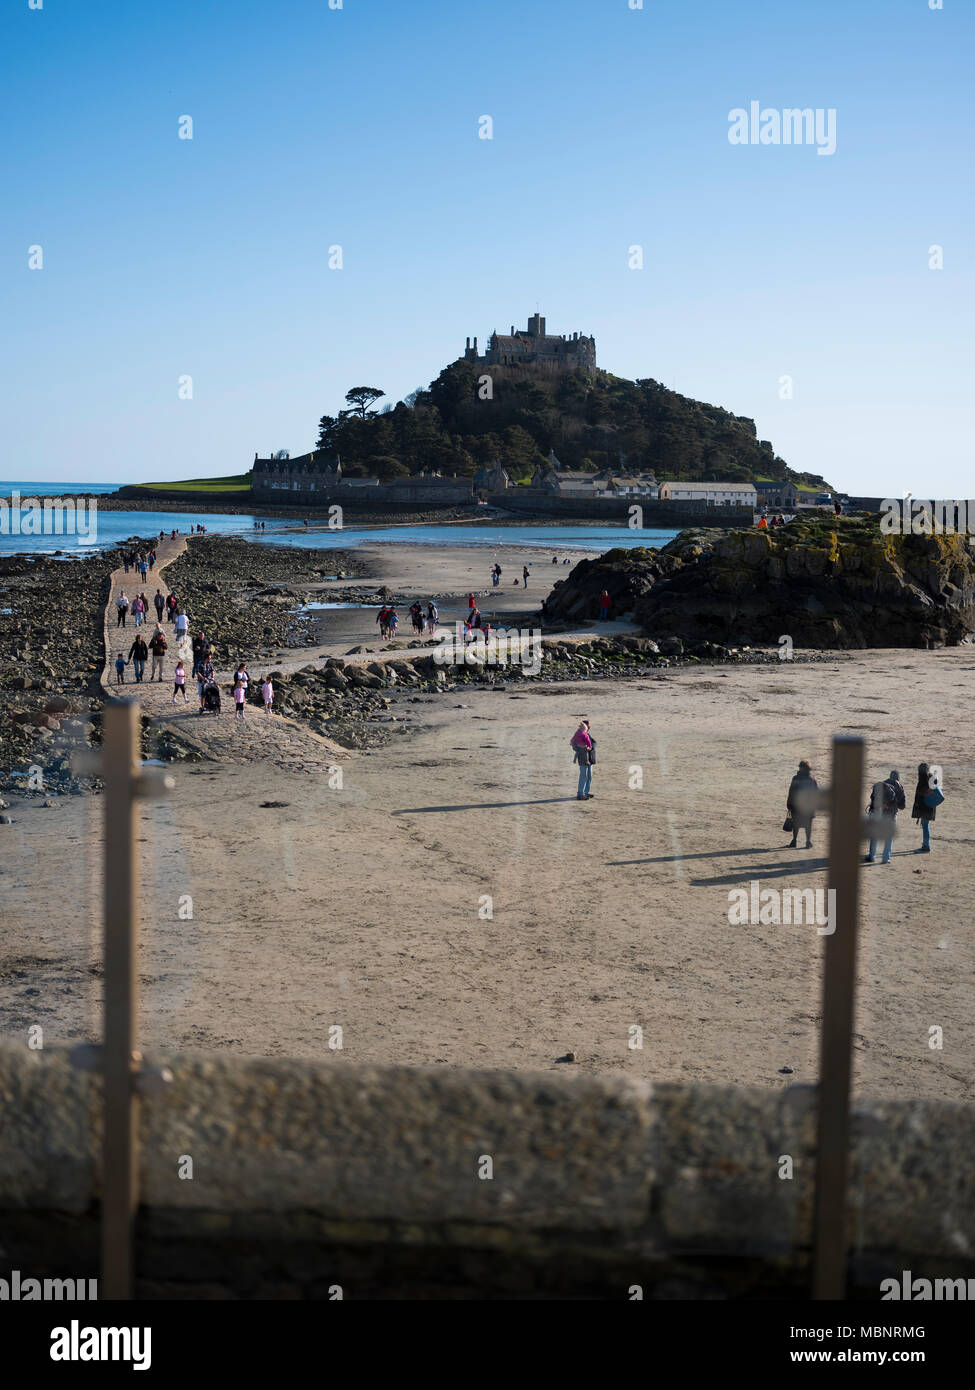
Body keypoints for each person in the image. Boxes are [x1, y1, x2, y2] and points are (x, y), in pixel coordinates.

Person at [865, 769, 906, 864]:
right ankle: (886, 858)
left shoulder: (883, 783)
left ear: (890, 776)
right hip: (891, 815)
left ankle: (872, 856)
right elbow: (902, 806)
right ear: (898, 777)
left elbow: (872, 797)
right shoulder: (900, 787)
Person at [911, 762, 944, 853]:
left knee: (925, 826)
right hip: (931, 806)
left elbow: (921, 794)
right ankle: (925, 845)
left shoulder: (923, 780)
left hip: (925, 807)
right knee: (926, 825)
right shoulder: (932, 778)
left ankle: (926, 846)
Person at [786, 760, 817, 848]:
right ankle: (807, 842)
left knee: (796, 824)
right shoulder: (812, 779)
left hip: (797, 805)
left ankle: (794, 841)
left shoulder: (796, 778)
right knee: (808, 825)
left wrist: (789, 804)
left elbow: (791, 791)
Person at [571, 720, 594, 800]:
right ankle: (580, 793)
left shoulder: (587, 735)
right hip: (583, 758)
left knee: (589, 776)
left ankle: (586, 793)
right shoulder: (580, 734)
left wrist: (590, 748)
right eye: (588, 725)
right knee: (583, 776)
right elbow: (574, 745)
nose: (589, 727)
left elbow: (593, 744)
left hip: (591, 759)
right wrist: (583, 748)